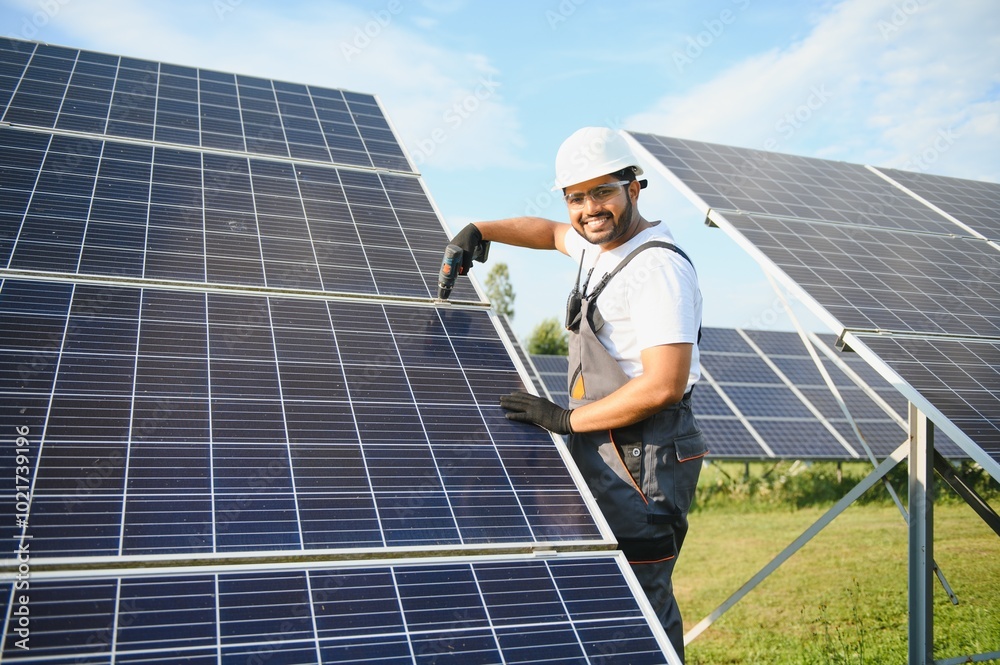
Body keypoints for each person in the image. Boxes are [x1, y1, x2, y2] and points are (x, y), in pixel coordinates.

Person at [448, 126, 707, 661]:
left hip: (645, 458)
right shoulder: (598, 248)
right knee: (598, 598)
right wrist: (479, 230)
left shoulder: (657, 267)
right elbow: (546, 233)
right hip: (606, 445)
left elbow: (664, 383)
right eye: (576, 197)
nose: (590, 208)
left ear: (634, 188)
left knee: (639, 608)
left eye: (603, 192)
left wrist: (564, 421)